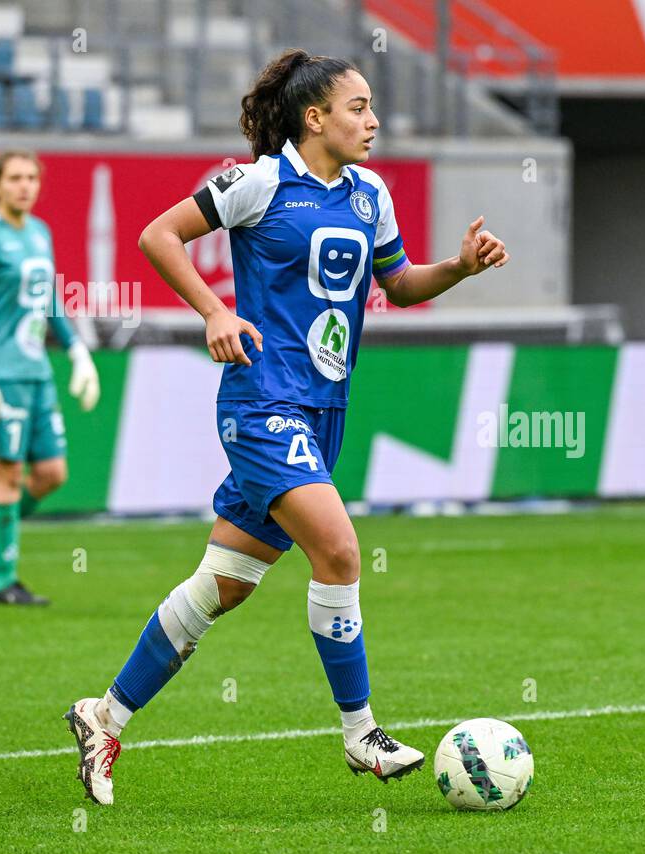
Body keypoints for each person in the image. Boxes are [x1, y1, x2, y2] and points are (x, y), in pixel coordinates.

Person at [64, 51, 509, 805]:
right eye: (359, 108)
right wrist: (215, 309)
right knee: (338, 550)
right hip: (261, 405)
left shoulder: (371, 195)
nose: (373, 122)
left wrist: (460, 268)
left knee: (224, 587)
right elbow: (157, 236)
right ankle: (360, 732)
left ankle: (103, 716)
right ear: (315, 118)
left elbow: (397, 287)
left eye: (371, 109)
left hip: (324, 412)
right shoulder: (259, 182)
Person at [0, 150, 101, 606]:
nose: (24, 186)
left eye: (32, 178)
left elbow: (50, 299)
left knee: (53, 473)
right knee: (8, 473)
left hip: (36, 371)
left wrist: (77, 351)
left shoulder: (39, 232)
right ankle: (5, 581)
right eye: (14, 178)